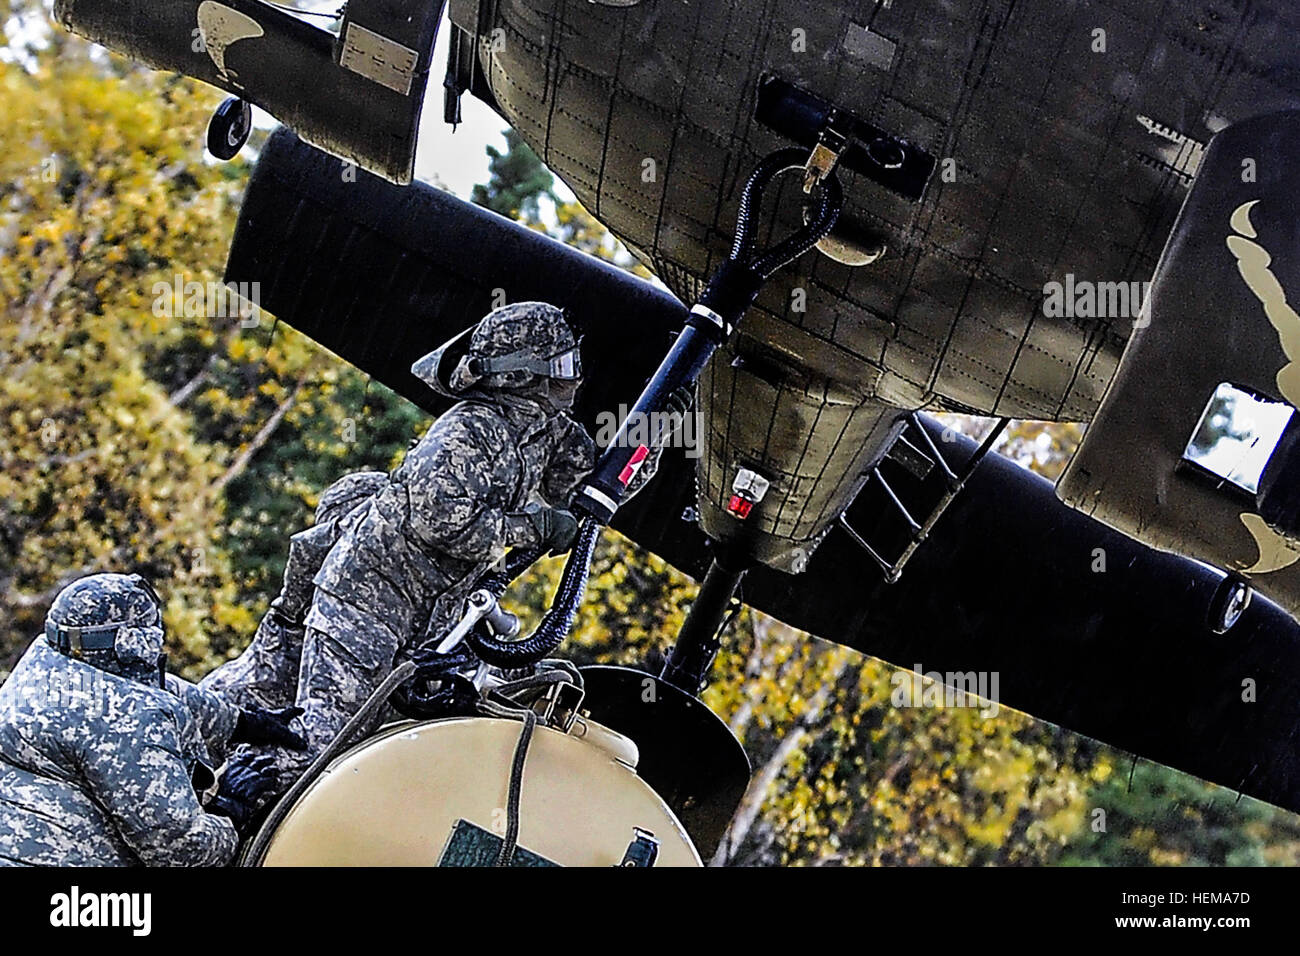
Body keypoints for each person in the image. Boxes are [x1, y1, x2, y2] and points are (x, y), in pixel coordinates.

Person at [223, 302, 597, 795]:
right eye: (563, 369)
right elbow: (444, 524)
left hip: (422, 623)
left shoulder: (541, 431)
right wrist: (534, 528)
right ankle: (224, 804)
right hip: (366, 604)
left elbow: (587, 484)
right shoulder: (467, 433)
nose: (575, 381)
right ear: (524, 376)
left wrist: (647, 439)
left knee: (365, 754)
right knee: (322, 750)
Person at [0, 573, 278, 866]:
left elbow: (150, 687)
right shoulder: (127, 723)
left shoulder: (44, 668)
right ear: (136, 643)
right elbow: (182, 853)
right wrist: (231, 810)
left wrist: (240, 722)